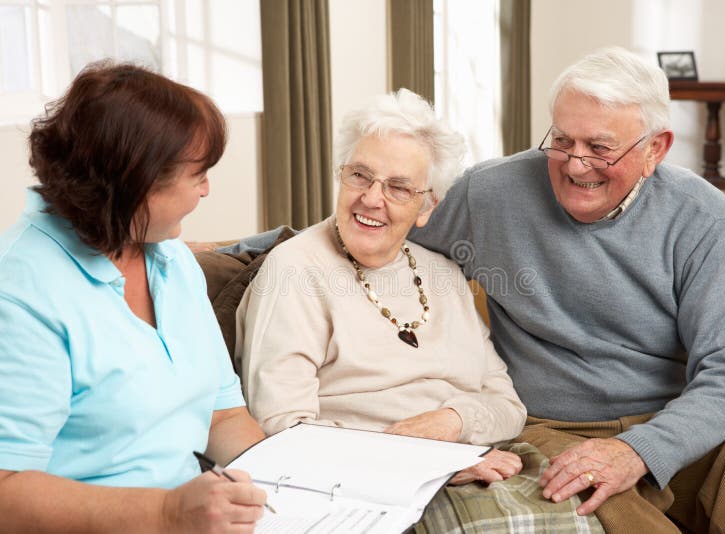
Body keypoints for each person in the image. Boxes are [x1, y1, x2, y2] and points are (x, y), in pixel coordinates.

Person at [408, 47, 725, 532]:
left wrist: (639, 450)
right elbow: (378, 232)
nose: (575, 165)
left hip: (674, 423)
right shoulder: (490, 193)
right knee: (587, 485)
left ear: (655, 149)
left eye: (599, 148)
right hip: (547, 429)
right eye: (562, 140)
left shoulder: (704, 218)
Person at [235, 89, 603, 533]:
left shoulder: (444, 274)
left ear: (427, 207)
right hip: (362, 486)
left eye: (398, 187)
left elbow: (508, 406)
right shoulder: (294, 271)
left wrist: (453, 423)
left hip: (471, 460)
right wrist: (419, 462)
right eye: (360, 176)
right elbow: (282, 430)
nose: (372, 198)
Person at [0, 62, 269, 533]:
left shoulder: (170, 258)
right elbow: (5, 491)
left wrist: (289, 484)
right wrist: (166, 514)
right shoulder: (21, 293)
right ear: (136, 183)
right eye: (198, 175)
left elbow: (222, 416)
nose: (207, 189)